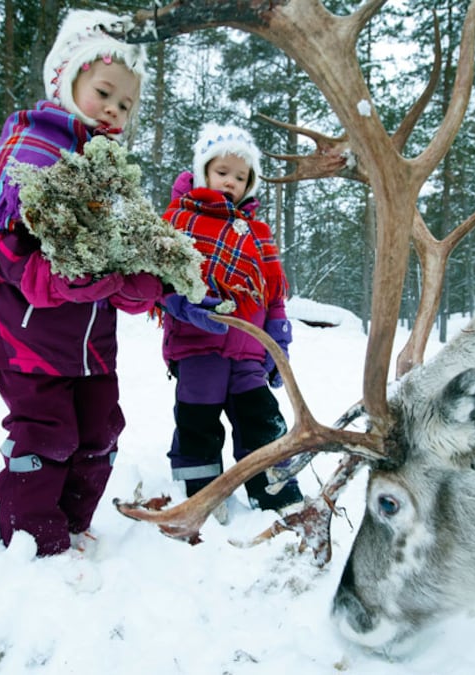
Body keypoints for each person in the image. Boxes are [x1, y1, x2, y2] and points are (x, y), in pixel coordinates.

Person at [0, 10, 163, 558]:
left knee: (99, 428)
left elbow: (117, 257)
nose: (113, 110)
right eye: (103, 92)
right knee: (47, 433)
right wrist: (32, 271)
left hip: (89, 342)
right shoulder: (29, 149)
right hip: (25, 336)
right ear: (67, 80)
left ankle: (73, 525)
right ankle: (33, 543)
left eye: (125, 104)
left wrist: (135, 284)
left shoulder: (111, 178)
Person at [159, 123, 304, 517]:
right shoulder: (179, 221)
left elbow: (273, 293)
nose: (231, 183)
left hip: (249, 351)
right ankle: (203, 492)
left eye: (241, 177)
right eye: (222, 172)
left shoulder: (257, 233)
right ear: (203, 171)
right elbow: (159, 280)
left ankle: (274, 489)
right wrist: (180, 304)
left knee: (260, 417)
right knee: (198, 419)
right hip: (198, 344)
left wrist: (279, 339)